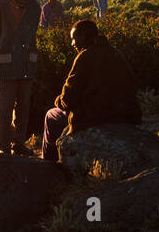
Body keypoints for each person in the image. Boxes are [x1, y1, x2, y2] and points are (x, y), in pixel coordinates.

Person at [41, 19, 141, 160]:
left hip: (96, 116)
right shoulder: (115, 53)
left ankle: (49, 163)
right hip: (124, 115)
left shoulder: (85, 56)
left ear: (83, 37)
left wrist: (58, 101)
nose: (72, 44)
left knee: (51, 115)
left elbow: (68, 100)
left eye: (74, 38)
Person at [0, 0, 42, 155]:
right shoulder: (1, 5)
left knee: (23, 107)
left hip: (27, 65)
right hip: (6, 67)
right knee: (4, 108)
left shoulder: (35, 6)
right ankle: (3, 146)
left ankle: (19, 143)